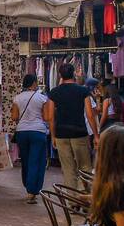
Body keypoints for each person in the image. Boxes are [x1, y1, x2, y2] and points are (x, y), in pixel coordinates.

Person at [48, 64, 96, 190]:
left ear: (60, 75)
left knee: (68, 168)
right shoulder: (83, 91)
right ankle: (83, 194)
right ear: (74, 73)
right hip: (79, 132)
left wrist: (53, 135)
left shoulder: (54, 92)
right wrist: (96, 134)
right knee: (85, 166)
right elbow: (90, 115)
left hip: (61, 133)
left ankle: (71, 200)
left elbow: (51, 117)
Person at [11, 73, 54, 203]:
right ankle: (32, 190)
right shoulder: (42, 98)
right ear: (34, 83)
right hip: (38, 131)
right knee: (37, 161)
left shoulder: (17, 98)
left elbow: (14, 117)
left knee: (26, 160)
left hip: (22, 132)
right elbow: (47, 117)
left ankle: (28, 186)